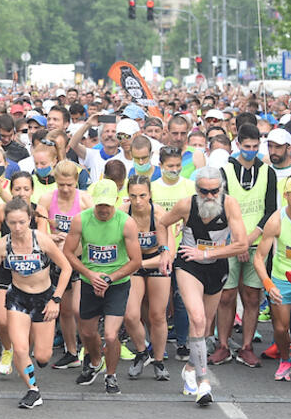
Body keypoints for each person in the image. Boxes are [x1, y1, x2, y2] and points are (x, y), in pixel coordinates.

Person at [158, 167, 249, 406]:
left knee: (205, 326)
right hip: (189, 265)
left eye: (214, 191)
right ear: (196, 189)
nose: (209, 196)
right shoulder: (186, 205)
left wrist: (207, 253)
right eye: (204, 191)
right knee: (197, 319)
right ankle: (203, 383)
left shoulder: (229, 205)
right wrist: (165, 251)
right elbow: (162, 223)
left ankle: (190, 367)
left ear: (221, 189)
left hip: (216, 267)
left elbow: (241, 245)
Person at [0, 197, 72, 408]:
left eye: (22, 222)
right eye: (12, 223)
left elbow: (66, 268)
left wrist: (56, 299)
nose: (17, 227)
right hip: (18, 299)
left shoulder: (41, 240)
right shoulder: (3, 245)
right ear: (6, 222)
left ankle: (35, 360)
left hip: (44, 299)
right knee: (21, 349)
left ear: (30, 220)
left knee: (42, 356)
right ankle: (33, 390)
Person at [62, 179, 143, 395]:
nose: (104, 209)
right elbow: (68, 252)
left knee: (110, 335)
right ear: (94, 202)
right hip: (90, 282)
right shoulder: (81, 220)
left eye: (107, 204)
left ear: (115, 200)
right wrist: (90, 274)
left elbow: (136, 261)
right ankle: (96, 362)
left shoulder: (126, 222)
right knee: (87, 333)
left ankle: (111, 375)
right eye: (100, 205)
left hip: (117, 284)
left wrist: (110, 278)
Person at [216, 124, 280, 367]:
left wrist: (249, 239)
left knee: (253, 297)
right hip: (230, 242)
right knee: (226, 296)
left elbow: (270, 210)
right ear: (238, 144)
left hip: (256, 243)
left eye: (255, 146)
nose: (251, 150)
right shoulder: (224, 171)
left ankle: (247, 346)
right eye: (247, 146)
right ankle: (223, 345)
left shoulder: (267, 172)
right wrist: (239, 241)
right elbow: (220, 208)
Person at [253, 175, 291, 382]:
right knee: (280, 327)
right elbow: (258, 258)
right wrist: (268, 285)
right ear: (286, 196)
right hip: (282, 279)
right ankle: (285, 360)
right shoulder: (277, 220)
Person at [121, 175, 172, 381]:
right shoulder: (123, 213)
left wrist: (140, 264)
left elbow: (168, 255)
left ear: (150, 194)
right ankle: (142, 352)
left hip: (154, 261)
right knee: (130, 315)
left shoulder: (159, 214)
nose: (138, 201)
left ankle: (159, 361)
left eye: (142, 195)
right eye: (133, 196)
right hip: (133, 261)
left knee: (157, 315)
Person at [41, 160, 88, 370]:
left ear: (76, 181)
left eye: (70, 184)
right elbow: (39, 232)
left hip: (79, 261)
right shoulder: (46, 199)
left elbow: (97, 230)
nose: (66, 189)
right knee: (66, 311)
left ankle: (90, 351)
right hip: (58, 263)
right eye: (61, 185)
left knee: (80, 309)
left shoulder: (85, 200)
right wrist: (51, 237)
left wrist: (75, 239)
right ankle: (72, 352)